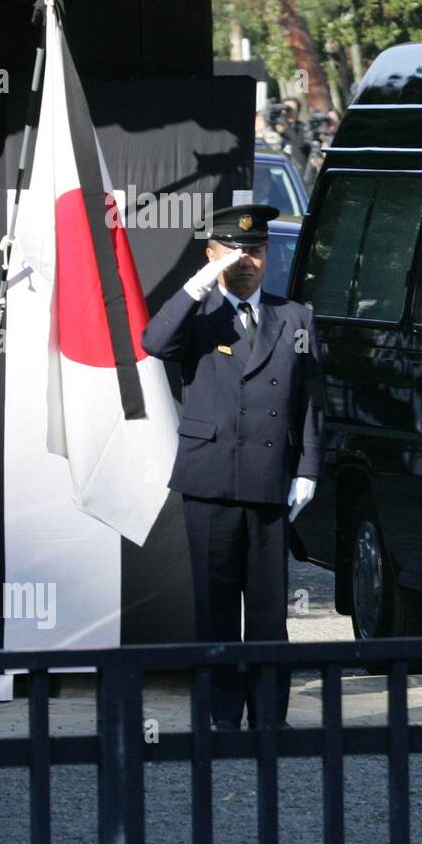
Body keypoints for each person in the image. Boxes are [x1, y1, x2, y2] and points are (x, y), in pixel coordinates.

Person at [142, 205, 323, 730]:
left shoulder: (295, 318)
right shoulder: (196, 315)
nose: (247, 261)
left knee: (268, 615)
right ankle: (219, 716)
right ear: (211, 254)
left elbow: (311, 399)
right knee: (215, 611)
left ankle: (269, 716)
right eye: (234, 250)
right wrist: (199, 284)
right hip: (211, 479)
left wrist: (308, 466)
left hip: (269, 481)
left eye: (256, 251)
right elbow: (153, 343)